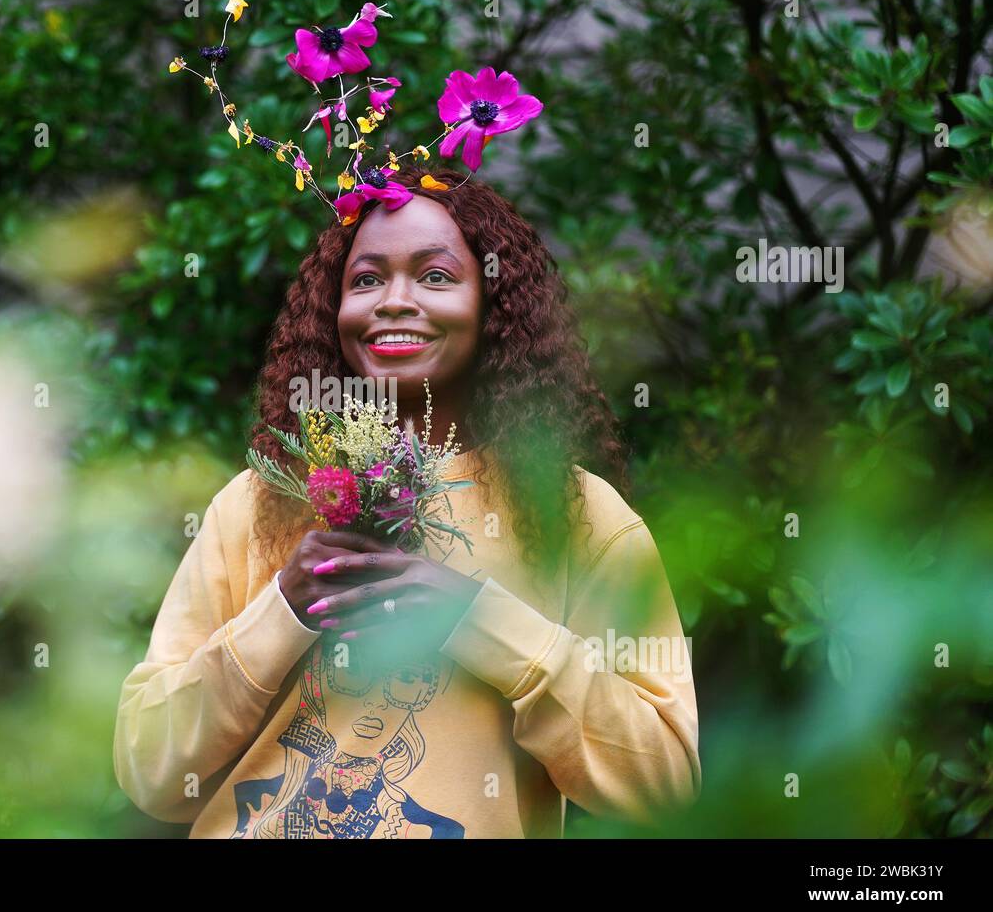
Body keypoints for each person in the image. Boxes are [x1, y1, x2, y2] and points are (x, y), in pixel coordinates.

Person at [113, 166, 701, 838]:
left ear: (495, 305)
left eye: (436, 276)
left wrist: (481, 620)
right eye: (365, 279)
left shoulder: (577, 514)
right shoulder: (261, 502)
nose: (393, 301)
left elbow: (663, 787)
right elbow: (149, 769)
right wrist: (283, 609)